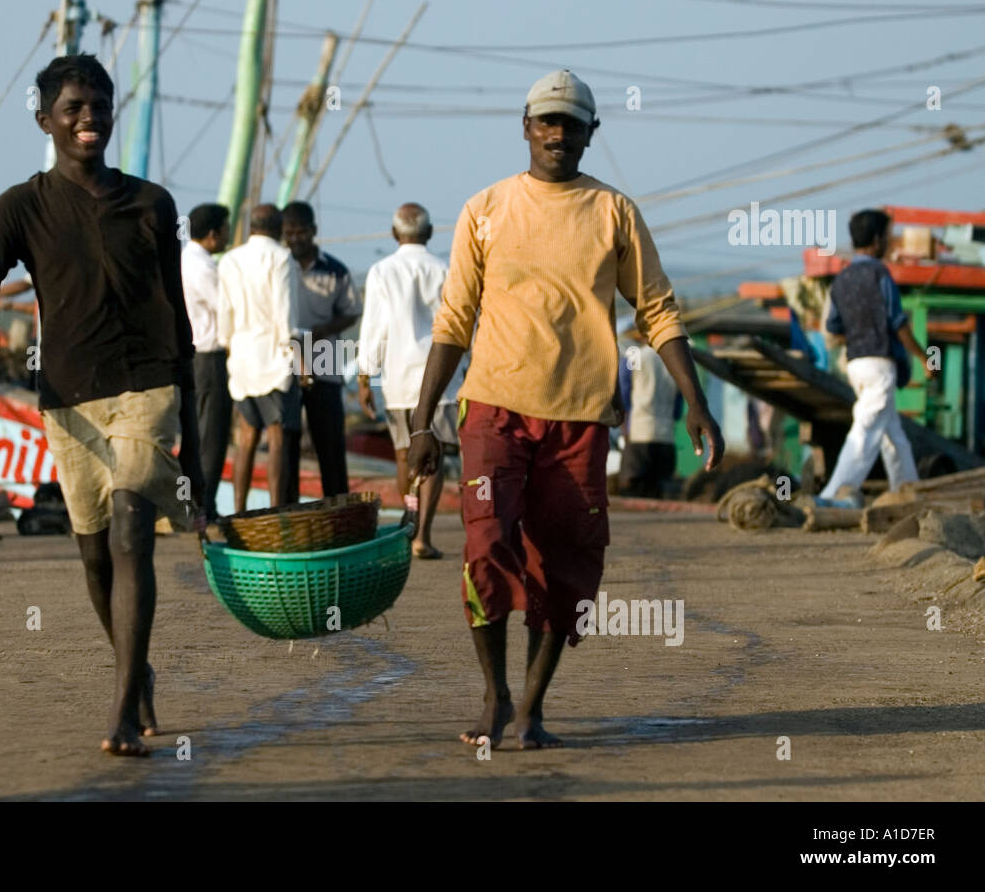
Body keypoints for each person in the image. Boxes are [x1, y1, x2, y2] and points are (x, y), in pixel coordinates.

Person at [406, 69, 724, 750]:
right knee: (487, 547)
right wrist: (421, 421)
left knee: (567, 563)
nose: (558, 133)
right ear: (525, 127)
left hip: (580, 421)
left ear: (591, 134)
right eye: (546, 121)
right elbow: (454, 319)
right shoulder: (485, 208)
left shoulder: (616, 213)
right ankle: (493, 695)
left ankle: (531, 707)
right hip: (492, 409)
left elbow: (657, 310)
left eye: (571, 124)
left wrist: (695, 403)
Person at [0, 54, 203, 758]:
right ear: (45, 120)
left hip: (146, 387)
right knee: (97, 557)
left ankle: (122, 708)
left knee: (133, 528)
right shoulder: (21, 207)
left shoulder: (153, 204)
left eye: (100, 105)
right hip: (68, 402)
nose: (88, 119)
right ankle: (138, 671)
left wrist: (195, 440)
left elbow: (182, 325)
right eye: (73, 107)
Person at [357, 202, 461, 559]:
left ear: (393, 234)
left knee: (405, 456)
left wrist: (364, 375)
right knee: (435, 455)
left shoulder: (382, 271)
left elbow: (374, 327)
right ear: (429, 233)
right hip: (441, 379)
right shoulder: (445, 269)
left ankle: (408, 524)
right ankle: (422, 536)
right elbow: (463, 325)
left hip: (399, 378)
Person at [817, 209, 930, 505]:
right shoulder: (880, 274)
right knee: (865, 431)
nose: (891, 243)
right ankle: (831, 495)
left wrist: (859, 332)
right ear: (878, 239)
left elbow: (833, 327)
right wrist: (923, 358)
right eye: (889, 236)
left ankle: (908, 493)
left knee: (893, 437)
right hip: (880, 362)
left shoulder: (840, 280)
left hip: (856, 363)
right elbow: (897, 322)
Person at [217, 203, 301, 511]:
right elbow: (285, 314)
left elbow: (224, 313)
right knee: (277, 438)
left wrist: (229, 344)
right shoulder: (281, 258)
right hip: (273, 358)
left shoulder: (229, 260)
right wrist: (295, 352)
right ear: (278, 228)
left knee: (246, 437)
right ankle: (276, 510)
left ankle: (238, 511)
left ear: (251, 225)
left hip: (241, 357)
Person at [282, 200, 362, 499]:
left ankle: (338, 506)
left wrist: (322, 332)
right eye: (289, 232)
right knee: (286, 443)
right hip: (285, 364)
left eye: (301, 232)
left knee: (329, 442)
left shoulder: (335, 270)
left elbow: (352, 311)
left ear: (313, 231)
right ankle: (286, 509)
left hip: (323, 362)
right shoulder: (278, 266)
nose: (295, 239)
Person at [181, 202, 233, 521]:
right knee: (212, 435)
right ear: (213, 234)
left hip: (192, 355)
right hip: (209, 357)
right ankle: (204, 506)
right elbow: (226, 307)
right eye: (226, 229)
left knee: (196, 432)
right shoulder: (203, 267)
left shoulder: (186, 259)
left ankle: (195, 504)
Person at [616, 326, 684, 498]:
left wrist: (624, 424)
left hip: (640, 433)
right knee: (658, 492)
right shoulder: (674, 361)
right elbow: (678, 407)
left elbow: (624, 393)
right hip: (666, 437)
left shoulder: (636, 356)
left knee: (632, 491)